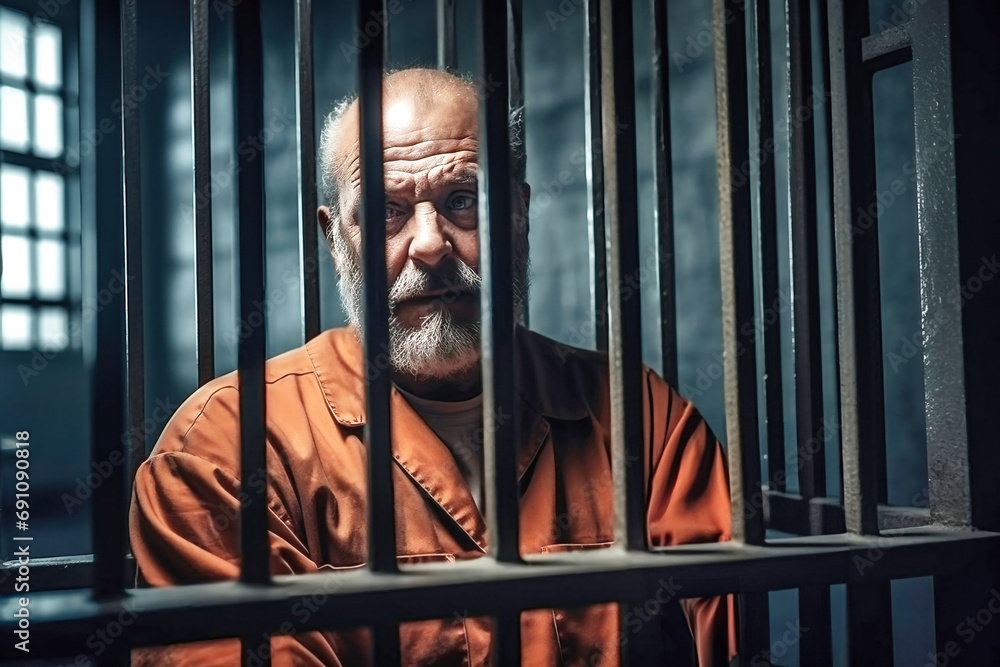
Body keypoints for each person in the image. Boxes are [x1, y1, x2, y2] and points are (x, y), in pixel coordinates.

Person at [129, 67, 737, 666]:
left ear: (518, 216)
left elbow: (735, 631)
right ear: (335, 239)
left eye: (463, 200)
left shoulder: (641, 417)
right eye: (386, 212)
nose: (428, 244)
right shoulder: (226, 446)